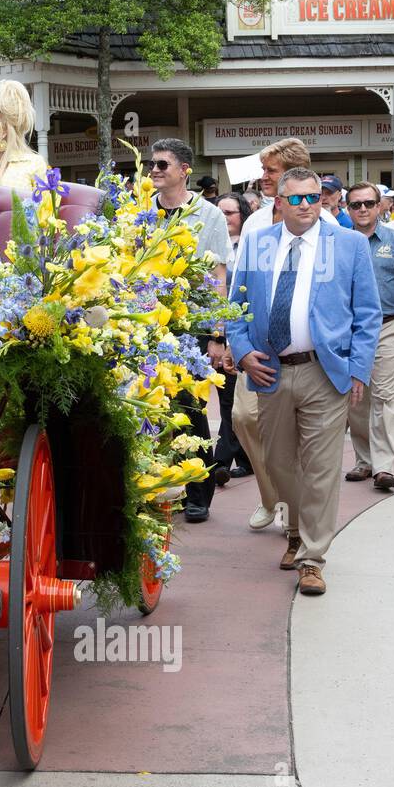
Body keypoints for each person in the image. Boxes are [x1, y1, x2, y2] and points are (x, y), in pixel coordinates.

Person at [226, 167, 381, 595]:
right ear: (280, 202)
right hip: (270, 370)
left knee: (321, 468)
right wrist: (241, 352)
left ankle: (312, 557)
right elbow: (235, 305)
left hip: (324, 372)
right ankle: (295, 527)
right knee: (279, 463)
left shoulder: (347, 245)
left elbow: (367, 313)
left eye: (314, 197)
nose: (307, 206)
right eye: (296, 199)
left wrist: (358, 368)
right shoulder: (259, 244)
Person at [235, 138, 337, 531]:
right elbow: (239, 291)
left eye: (271, 171)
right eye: (264, 172)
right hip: (259, 353)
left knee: (306, 450)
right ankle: (271, 495)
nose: (264, 179)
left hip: (313, 362)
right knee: (244, 418)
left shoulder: (330, 232)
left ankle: (298, 525)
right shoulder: (256, 225)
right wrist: (236, 345)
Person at [148, 138, 231, 524]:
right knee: (149, 409)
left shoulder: (208, 215)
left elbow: (217, 275)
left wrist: (217, 333)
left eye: (163, 165)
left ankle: (199, 491)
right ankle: (157, 487)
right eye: (152, 164)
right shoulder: (140, 211)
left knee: (190, 411)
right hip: (145, 326)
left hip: (190, 327)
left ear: (184, 170)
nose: (155, 170)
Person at [343, 181, 394, 491]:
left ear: (381, 206)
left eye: (368, 203)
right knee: (355, 400)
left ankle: (383, 467)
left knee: (384, 396)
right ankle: (364, 461)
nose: (363, 209)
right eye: (356, 204)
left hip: (387, 327)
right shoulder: (339, 242)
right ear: (347, 209)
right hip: (348, 333)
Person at [209, 192, 253, 484]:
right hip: (212, 330)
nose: (225, 218)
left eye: (230, 213)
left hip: (238, 331)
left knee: (231, 402)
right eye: (220, 212)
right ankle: (247, 458)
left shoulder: (249, 247)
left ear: (242, 216)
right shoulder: (209, 245)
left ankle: (220, 461)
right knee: (223, 400)